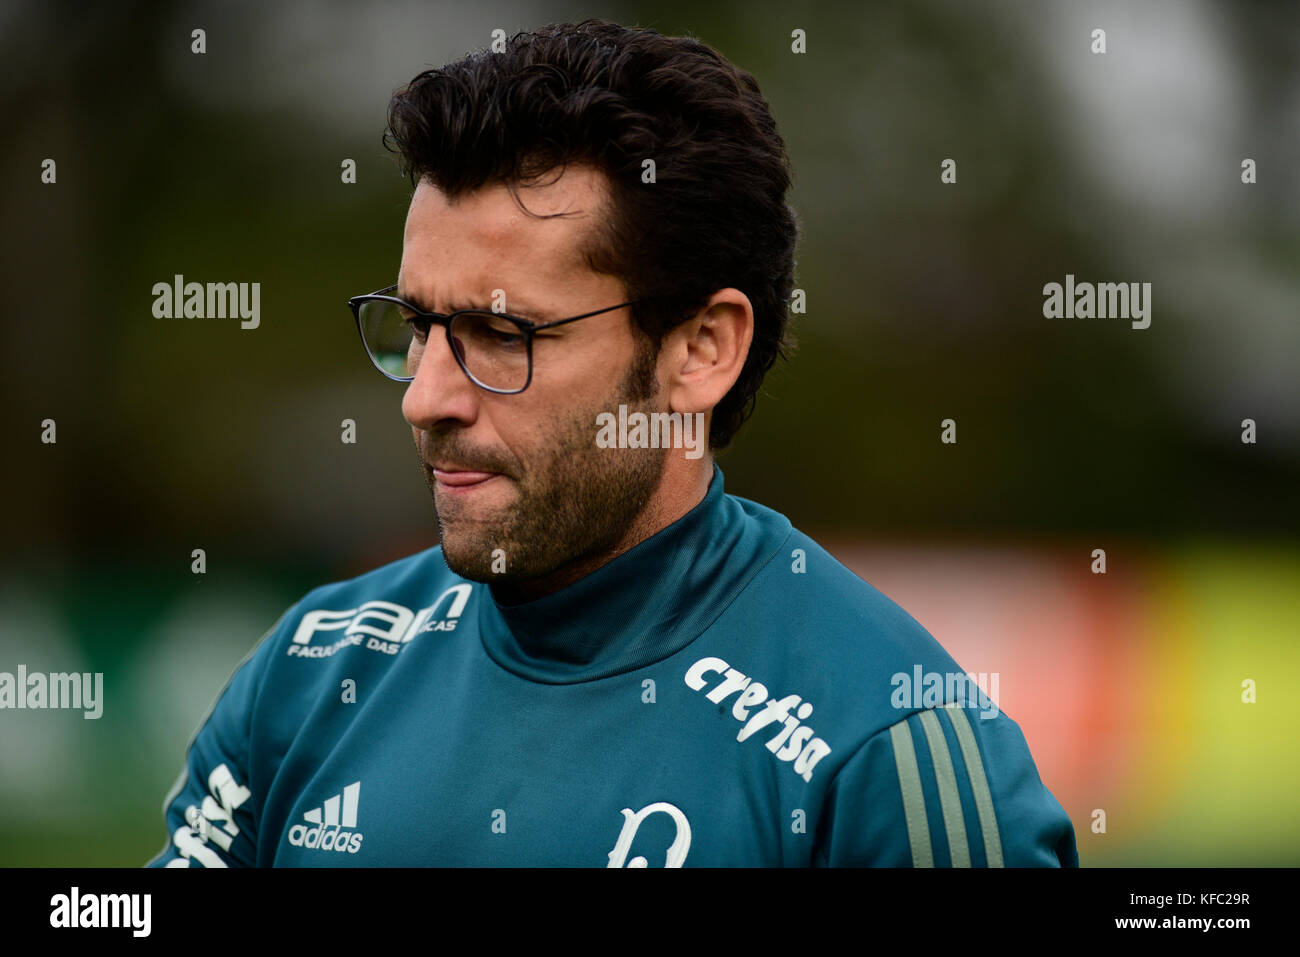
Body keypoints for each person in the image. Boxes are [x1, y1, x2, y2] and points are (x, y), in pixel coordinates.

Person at [148, 18, 1077, 867]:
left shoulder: (884, 749)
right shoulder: (314, 669)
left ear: (701, 350)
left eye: (503, 336)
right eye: (419, 325)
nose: (426, 398)